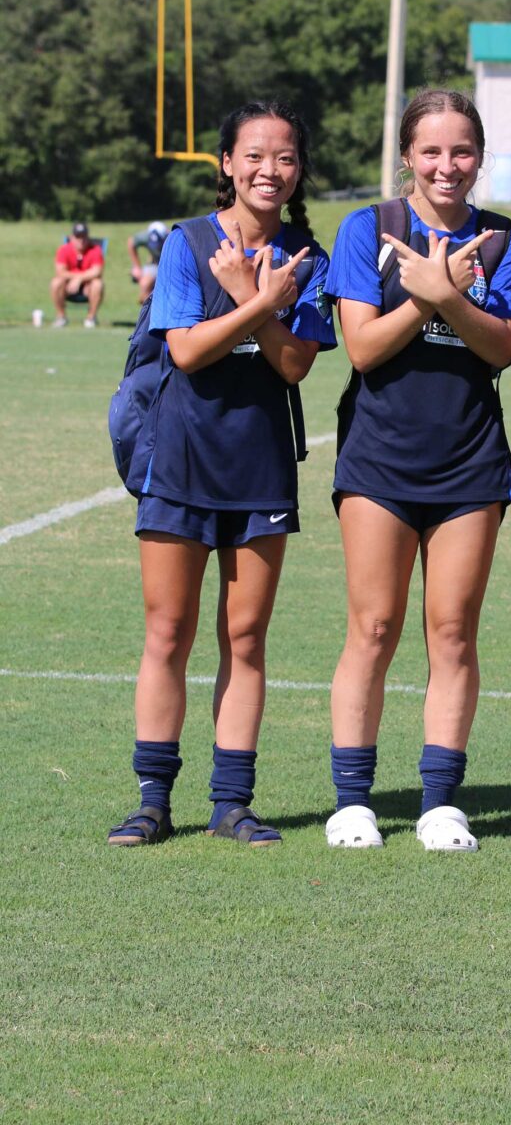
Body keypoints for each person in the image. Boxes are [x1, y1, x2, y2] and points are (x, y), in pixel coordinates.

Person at [107, 100, 335, 847]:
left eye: (286, 158)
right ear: (228, 165)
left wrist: (253, 297)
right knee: (167, 633)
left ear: (299, 170)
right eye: (256, 156)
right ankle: (151, 800)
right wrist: (260, 304)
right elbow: (185, 351)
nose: (271, 170)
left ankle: (231, 802)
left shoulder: (309, 257)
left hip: (261, 465)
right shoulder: (188, 242)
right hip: (179, 459)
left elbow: (296, 363)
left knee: (245, 637)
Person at [325, 89, 511, 853]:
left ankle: (442, 802)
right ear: (408, 156)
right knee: (373, 627)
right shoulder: (367, 229)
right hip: (378, 459)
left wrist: (453, 301)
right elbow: (364, 348)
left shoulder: (507, 240)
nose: (448, 166)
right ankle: (353, 801)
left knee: (453, 632)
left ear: (478, 157)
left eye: (463, 151)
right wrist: (432, 299)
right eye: (433, 152)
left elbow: (503, 348)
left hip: (470, 462)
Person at [51, 221, 104, 327]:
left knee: (98, 284)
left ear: (88, 237)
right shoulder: (64, 249)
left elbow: (97, 271)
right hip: (67, 287)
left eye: (84, 237)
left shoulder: (95, 250)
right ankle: (61, 317)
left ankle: (91, 318)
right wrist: (76, 279)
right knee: (55, 282)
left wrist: (80, 279)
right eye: (78, 237)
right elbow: (60, 271)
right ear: (71, 237)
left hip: (88, 287)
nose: (81, 240)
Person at [127, 221, 170, 303]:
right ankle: (147, 310)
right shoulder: (146, 236)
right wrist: (136, 267)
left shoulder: (171, 238)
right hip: (155, 264)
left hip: (170, 266)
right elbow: (131, 242)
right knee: (145, 284)